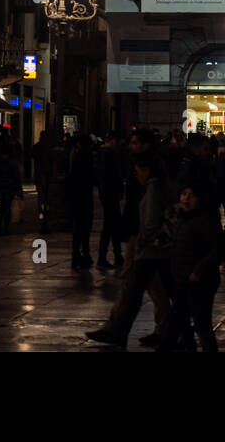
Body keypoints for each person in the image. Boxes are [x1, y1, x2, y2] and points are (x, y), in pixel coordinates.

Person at [87, 154, 172, 349]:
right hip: (149, 246)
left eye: (138, 171)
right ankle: (123, 327)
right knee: (146, 287)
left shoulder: (152, 189)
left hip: (148, 248)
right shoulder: (155, 187)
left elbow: (150, 221)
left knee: (135, 287)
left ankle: (119, 328)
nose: (136, 175)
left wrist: (142, 242)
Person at [159, 184, 225, 353]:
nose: (186, 198)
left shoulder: (206, 220)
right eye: (183, 194)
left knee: (201, 324)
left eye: (192, 195)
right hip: (183, 280)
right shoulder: (183, 218)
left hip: (200, 282)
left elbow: (218, 249)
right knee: (175, 324)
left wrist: (198, 271)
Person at [96, 131, 125, 269]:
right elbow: (113, 175)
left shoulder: (104, 154)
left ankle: (116, 255)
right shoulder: (109, 153)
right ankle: (106, 256)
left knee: (113, 226)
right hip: (110, 194)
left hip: (108, 194)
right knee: (110, 226)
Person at [67, 133, 95, 269]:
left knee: (78, 228)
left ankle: (77, 255)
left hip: (75, 197)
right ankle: (83, 254)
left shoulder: (75, 157)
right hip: (84, 196)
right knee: (84, 228)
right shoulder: (86, 157)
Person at [0, 138, 23, 236]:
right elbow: (16, 178)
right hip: (9, 187)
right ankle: (5, 228)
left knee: (0, 207)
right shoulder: (13, 163)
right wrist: (19, 191)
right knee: (7, 208)